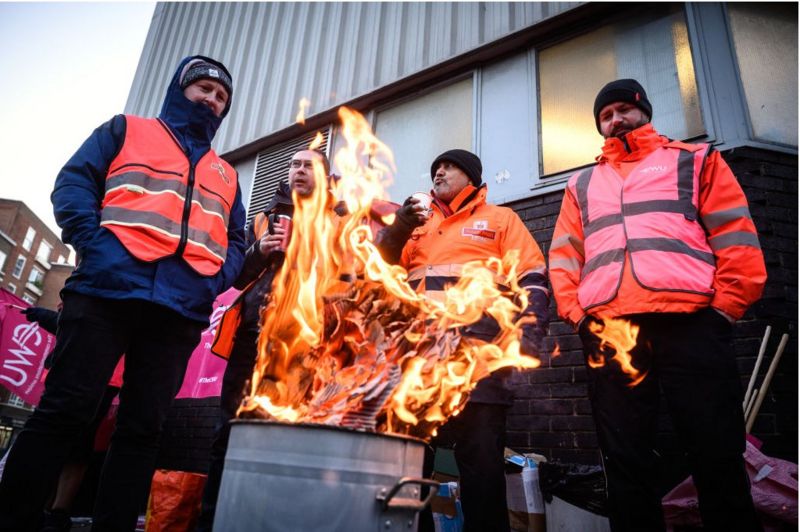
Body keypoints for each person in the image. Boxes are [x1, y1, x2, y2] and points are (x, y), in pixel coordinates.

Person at [0, 55, 246, 532]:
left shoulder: (226, 174)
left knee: (143, 430)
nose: (212, 100)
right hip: (106, 293)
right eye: (204, 89)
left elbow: (235, 240)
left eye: (221, 97)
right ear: (180, 90)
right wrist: (93, 246)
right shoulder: (125, 130)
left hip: (179, 311)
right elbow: (74, 182)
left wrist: (214, 282)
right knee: (64, 411)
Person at [549, 79, 767, 532]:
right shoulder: (582, 183)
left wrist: (726, 307)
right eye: (605, 116)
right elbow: (565, 256)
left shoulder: (694, 159)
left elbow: (735, 234)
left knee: (715, 448)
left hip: (691, 321)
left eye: (622, 110)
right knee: (623, 456)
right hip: (611, 331)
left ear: (644, 111)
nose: (615, 120)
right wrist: (578, 317)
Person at [379, 149, 550, 532]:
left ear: (470, 176)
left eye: (448, 167)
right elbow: (379, 274)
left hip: (479, 363)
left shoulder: (501, 219)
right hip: (417, 364)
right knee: (407, 471)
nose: (438, 173)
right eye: (435, 169)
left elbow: (532, 277)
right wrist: (398, 229)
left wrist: (529, 333)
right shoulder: (417, 227)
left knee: (483, 471)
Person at [195, 148, 329, 531]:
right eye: (294, 164)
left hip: (301, 343)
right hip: (250, 334)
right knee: (227, 431)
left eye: (308, 166)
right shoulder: (263, 218)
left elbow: (346, 278)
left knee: (286, 434)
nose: (299, 170)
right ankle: (213, 521)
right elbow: (234, 274)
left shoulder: (336, 220)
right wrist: (259, 250)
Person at [20, 306, 124, 532]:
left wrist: (49, 318)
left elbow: (81, 322)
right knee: (70, 443)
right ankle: (52, 511)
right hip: (91, 371)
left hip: (95, 371)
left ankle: (51, 511)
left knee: (63, 440)